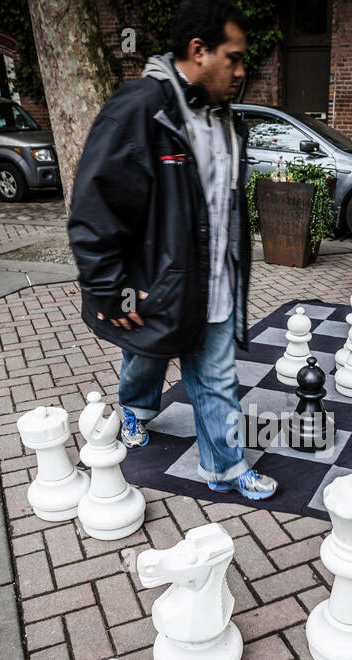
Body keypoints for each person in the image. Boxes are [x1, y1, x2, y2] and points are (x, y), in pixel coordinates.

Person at [68, 0, 277, 500]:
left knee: (217, 377)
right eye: (234, 57)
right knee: (145, 353)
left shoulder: (226, 117)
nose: (242, 70)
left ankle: (224, 468)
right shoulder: (139, 107)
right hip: (156, 283)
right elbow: (96, 204)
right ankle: (135, 413)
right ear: (198, 50)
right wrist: (107, 291)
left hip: (216, 282)